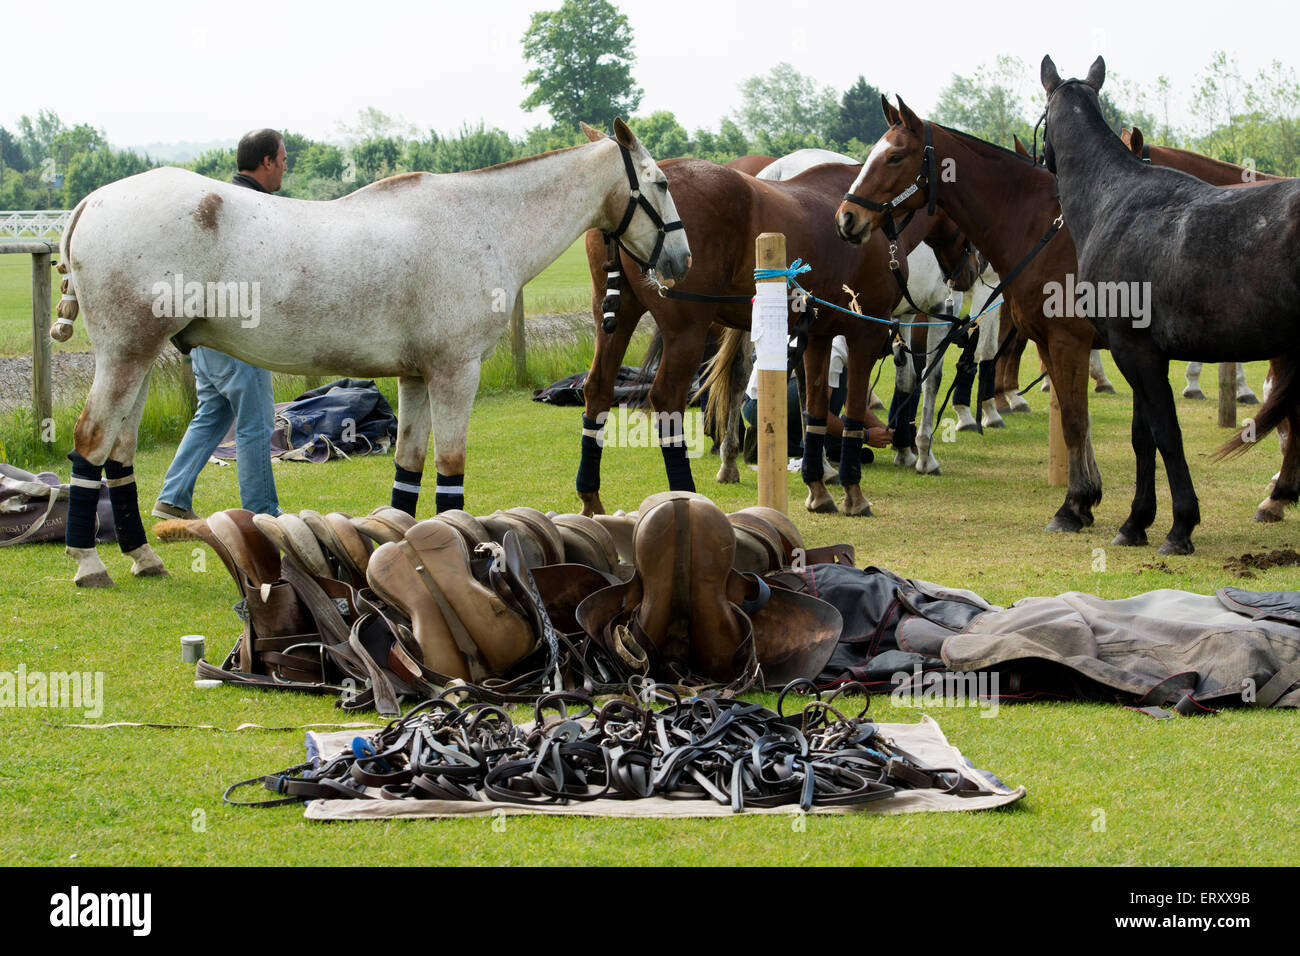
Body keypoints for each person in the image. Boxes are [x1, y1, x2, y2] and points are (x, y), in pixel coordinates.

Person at [152, 129, 287, 520]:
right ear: (266, 162)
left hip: (205, 333)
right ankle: (262, 512)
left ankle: (174, 497)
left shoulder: (220, 204)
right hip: (239, 333)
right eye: (281, 160)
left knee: (211, 415)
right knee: (256, 424)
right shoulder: (256, 210)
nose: (283, 168)